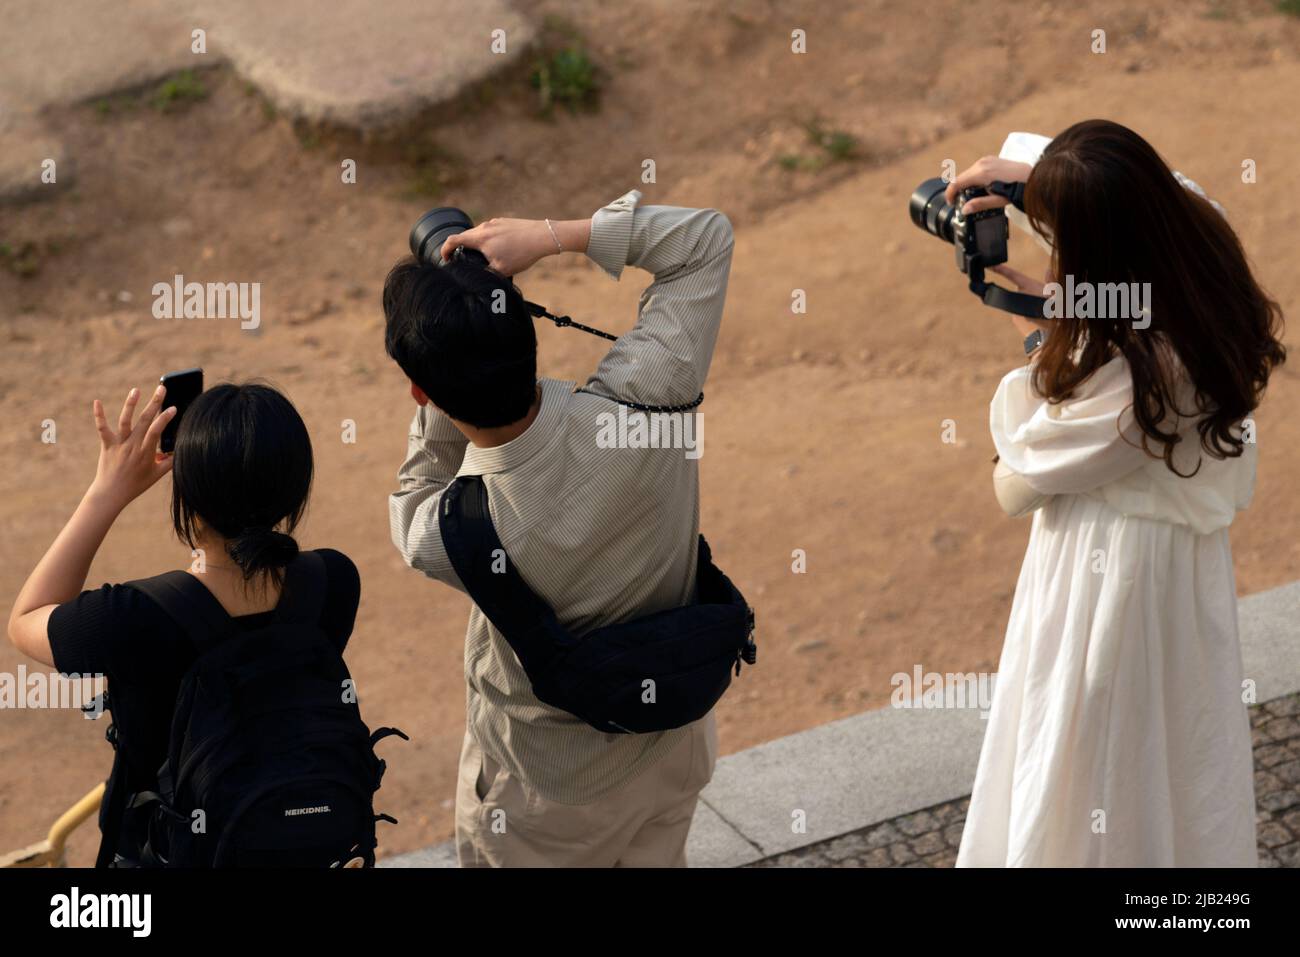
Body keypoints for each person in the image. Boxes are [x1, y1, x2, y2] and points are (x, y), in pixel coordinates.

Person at [948, 120, 1286, 866]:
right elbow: (1153, 188)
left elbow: (1018, 475)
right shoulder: (1205, 251)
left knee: (1089, 758)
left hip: (1106, 584)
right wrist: (1032, 172)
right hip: (1181, 572)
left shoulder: (1134, 377)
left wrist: (1053, 335)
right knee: (1180, 753)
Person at [385, 190, 733, 866]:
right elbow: (704, 239)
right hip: (673, 740)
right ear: (529, 332)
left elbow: (417, 487)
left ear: (420, 392)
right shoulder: (648, 398)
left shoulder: (451, 534)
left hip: (550, 794)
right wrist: (549, 236)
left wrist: (445, 356)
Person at [6, 381, 360, 865]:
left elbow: (25, 619)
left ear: (186, 496)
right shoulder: (334, 582)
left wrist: (106, 493)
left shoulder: (131, 617)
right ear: (297, 488)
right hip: (303, 846)